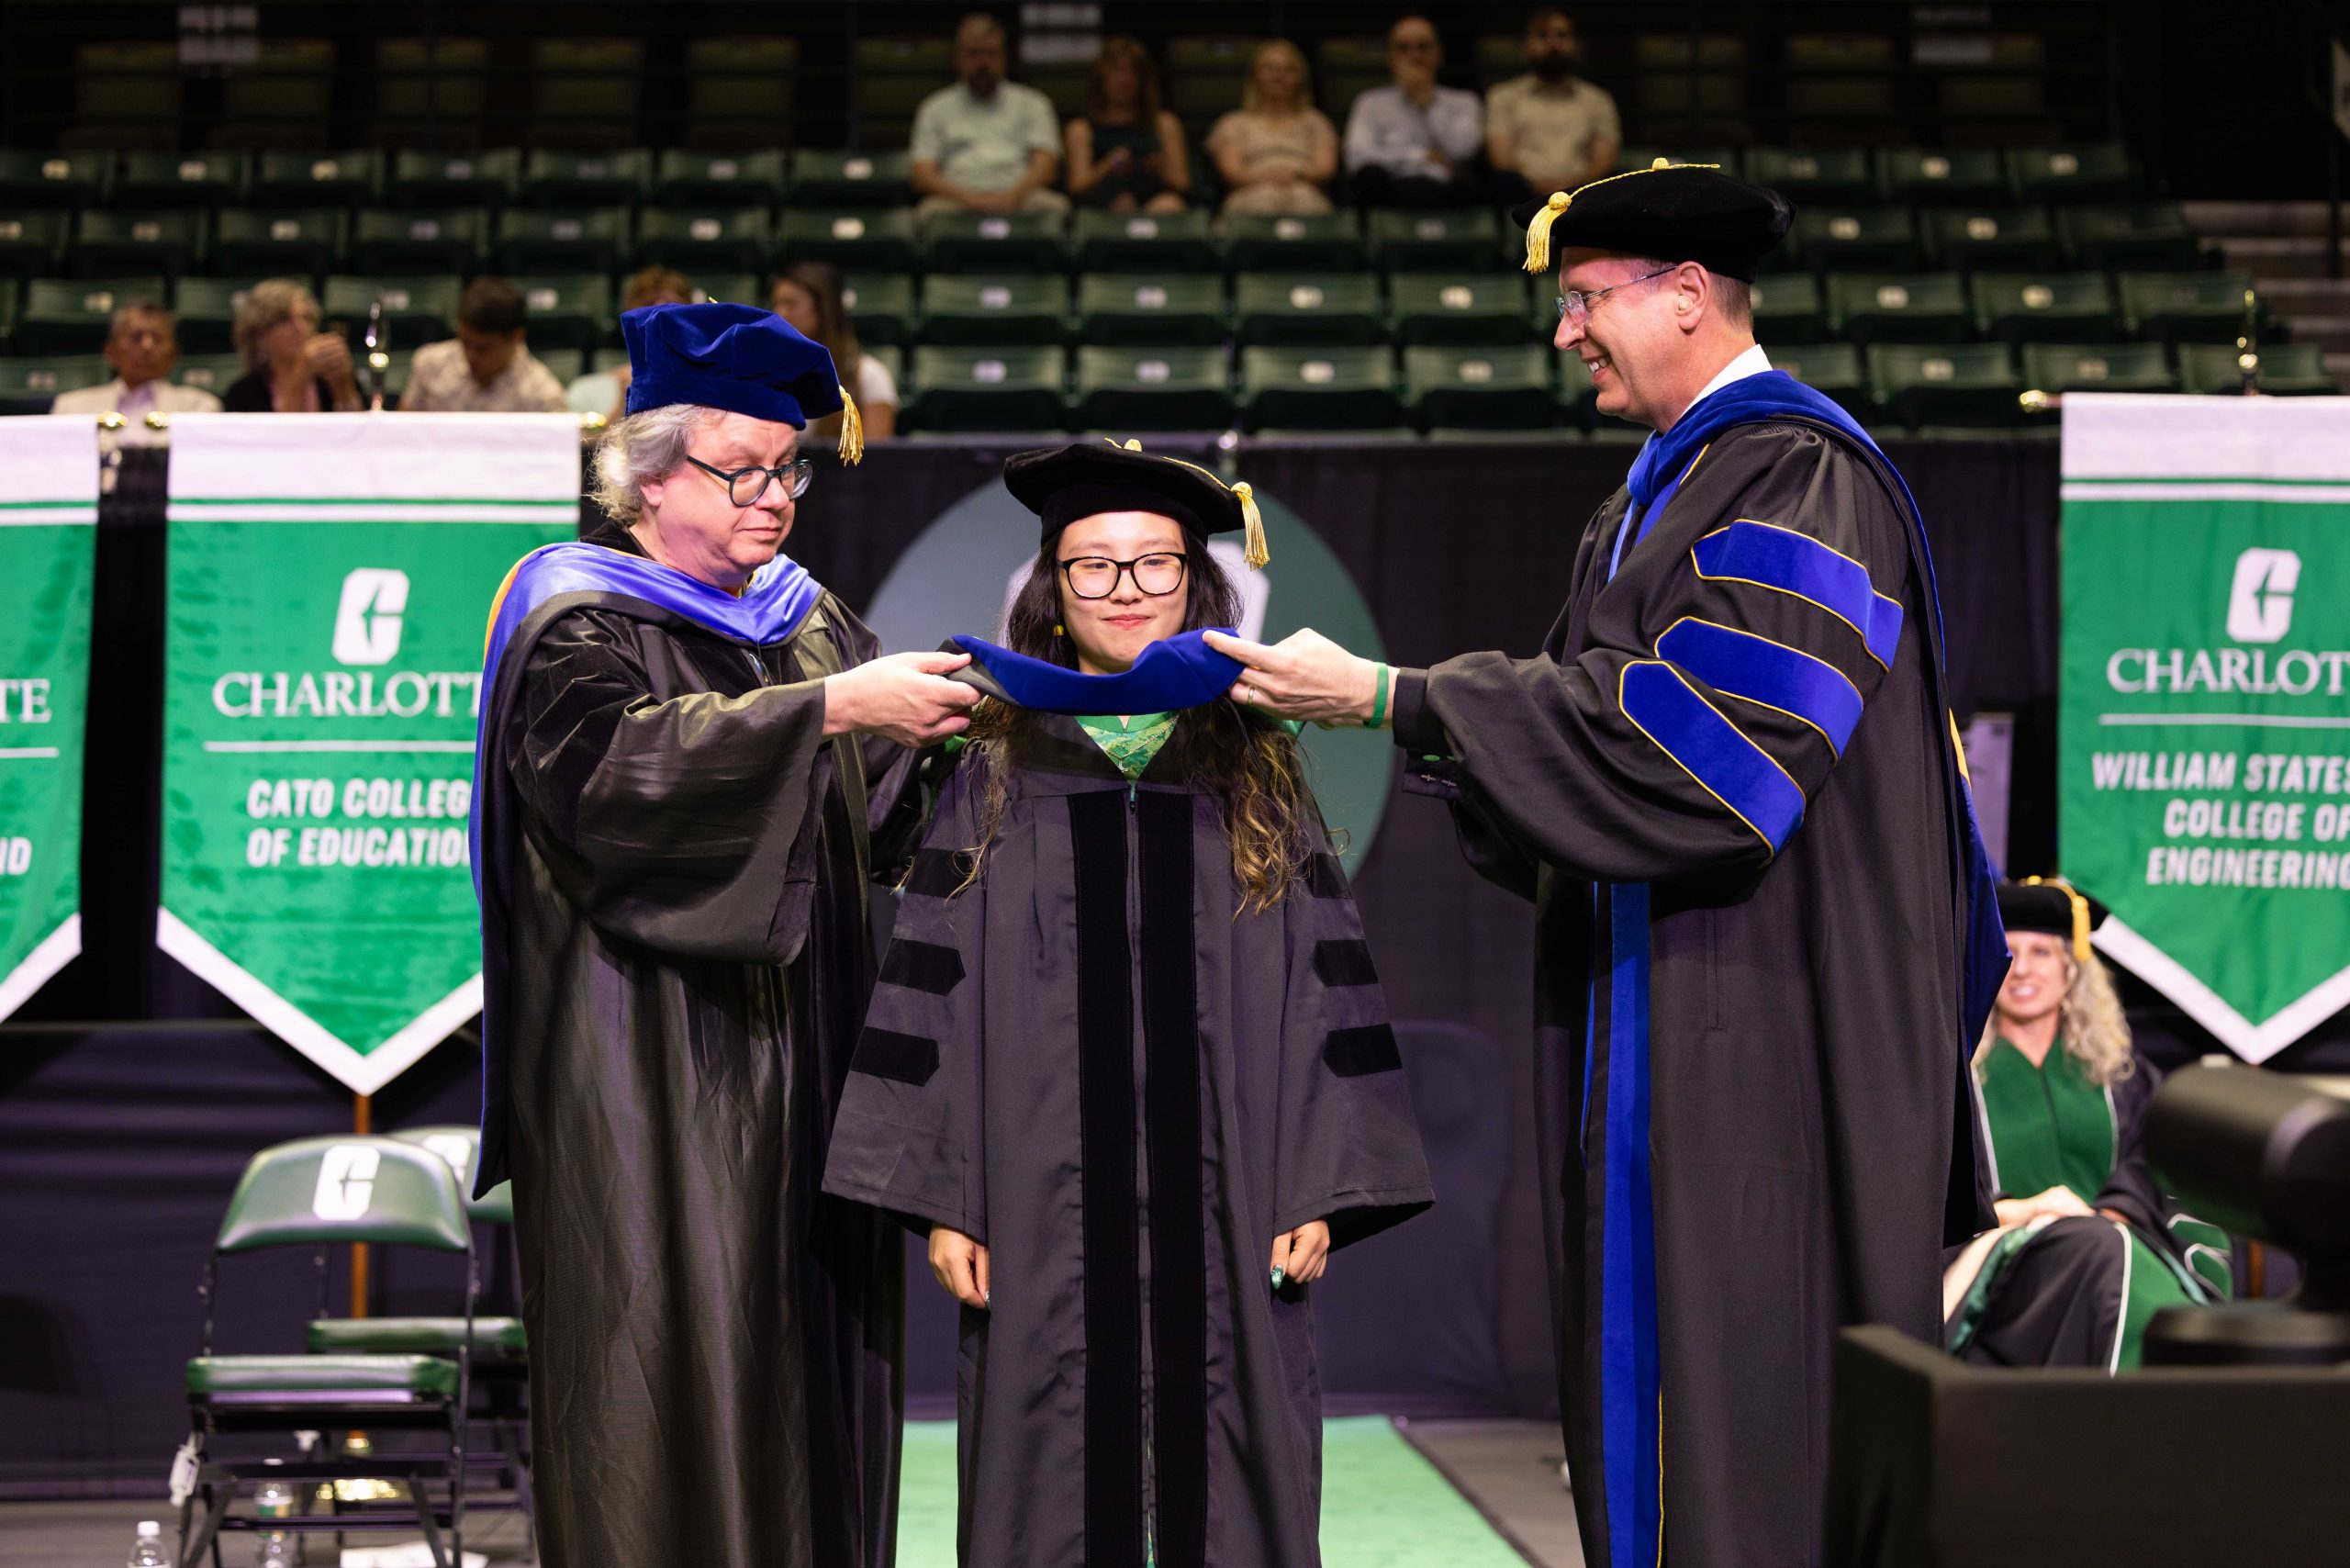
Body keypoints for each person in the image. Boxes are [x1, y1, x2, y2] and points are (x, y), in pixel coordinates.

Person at [1202, 164, 2006, 1568]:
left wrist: (1403, 700)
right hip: (1671, 1028)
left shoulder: (1799, 474)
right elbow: (1583, 767)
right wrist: (1450, 733)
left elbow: (1706, 767)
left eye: (1585, 300)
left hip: (1771, 1048)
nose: (1566, 333)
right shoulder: (1657, 495)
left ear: (1688, 296)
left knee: (1751, 1438)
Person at [824, 440, 1432, 1568]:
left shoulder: (1254, 762)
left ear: (1194, 581)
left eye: (1152, 564)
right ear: (1051, 588)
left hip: (1234, 1192)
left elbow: (1320, 983)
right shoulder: (994, 758)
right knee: (1047, 1469)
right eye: (1091, 566)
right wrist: (948, 1197)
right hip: (1037, 1196)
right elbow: (931, 987)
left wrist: (1319, 1183)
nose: (1124, 591)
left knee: (1234, 1454)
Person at [468, 302, 980, 1568]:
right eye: (742, 470)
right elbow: (615, 784)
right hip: (649, 1095)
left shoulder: (806, 618)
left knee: (814, 1389)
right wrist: (827, 713)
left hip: (812, 1086)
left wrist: (959, 741)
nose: (776, 497)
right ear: (646, 476)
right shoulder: (573, 624)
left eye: (789, 466)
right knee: (664, 1391)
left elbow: (868, 824)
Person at [1943, 879, 2232, 1371]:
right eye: (2009, 952)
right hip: (2007, 1260)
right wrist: (2021, 1211)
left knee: (2112, 1255)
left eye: (2041, 951)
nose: (2024, 969)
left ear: (2070, 968)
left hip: (2116, 1236)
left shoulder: (2118, 1073)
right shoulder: (1956, 1073)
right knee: (2103, 1259)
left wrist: (2117, 1213)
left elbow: (2155, 1154)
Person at [911, 13, 1071, 220]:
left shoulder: (1033, 103)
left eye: (990, 53)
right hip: (956, 199)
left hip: (1021, 197)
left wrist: (1011, 197)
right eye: (974, 54)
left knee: (1055, 209)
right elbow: (922, 175)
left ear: (1005, 57)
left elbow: (1047, 168)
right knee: (928, 214)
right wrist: (972, 200)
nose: (982, 62)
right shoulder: (934, 108)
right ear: (958, 58)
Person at [1342, 17, 1485, 207]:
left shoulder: (1464, 101)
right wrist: (1420, 156)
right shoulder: (1370, 102)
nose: (1415, 56)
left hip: (1445, 190)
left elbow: (1462, 152)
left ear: (1439, 54)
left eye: (1423, 47)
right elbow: (1357, 160)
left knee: (1470, 186)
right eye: (1404, 49)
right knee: (1369, 178)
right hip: (1391, 188)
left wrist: (1428, 104)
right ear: (1390, 57)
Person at [1485, 7, 1620, 198]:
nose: (1553, 43)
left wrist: (1569, 190)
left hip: (1584, 196)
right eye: (1542, 36)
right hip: (1523, 196)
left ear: (1575, 44)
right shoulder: (1503, 97)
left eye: (1562, 35)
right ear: (1526, 44)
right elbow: (1502, 159)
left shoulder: (1598, 100)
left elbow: (1604, 160)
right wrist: (1540, 188)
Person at [50, 299, 219, 442]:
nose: (147, 346)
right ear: (111, 352)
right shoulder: (71, 409)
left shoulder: (200, 408)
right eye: (135, 337)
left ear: (174, 353)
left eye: (158, 338)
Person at [1204, 39, 1339, 216]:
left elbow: (1325, 168)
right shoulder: (1233, 122)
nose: (1278, 76)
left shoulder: (1316, 122)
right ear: (1255, 76)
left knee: (1304, 201)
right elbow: (1231, 170)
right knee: (1265, 199)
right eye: (1270, 69)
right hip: (1250, 191)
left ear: (1301, 78)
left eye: (1288, 70)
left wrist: (1295, 175)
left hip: (1304, 189)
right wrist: (1268, 177)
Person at [770, 262, 898, 443]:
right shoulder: (768, 373)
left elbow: (874, 464)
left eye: (790, 304)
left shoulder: (870, 376)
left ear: (824, 309)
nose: (779, 314)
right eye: (776, 304)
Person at [398, 277, 567, 414]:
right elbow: (399, 436)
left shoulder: (544, 397)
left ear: (516, 337)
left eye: (483, 348)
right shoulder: (430, 364)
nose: (470, 356)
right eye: (465, 342)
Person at [1064, 36, 1190, 214]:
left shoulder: (1164, 123)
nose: (1125, 81)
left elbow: (1182, 183)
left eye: (1132, 72)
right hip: (1101, 204)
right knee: (1121, 205)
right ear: (1101, 76)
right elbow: (1077, 187)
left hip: (1152, 199)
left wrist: (1157, 168)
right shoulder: (1081, 128)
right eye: (1117, 71)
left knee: (1169, 205)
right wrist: (1108, 166)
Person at [221, 277, 360, 412]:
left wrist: (344, 388)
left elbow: (363, 432)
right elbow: (281, 433)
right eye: (285, 320)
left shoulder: (326, 381)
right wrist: (301, 372)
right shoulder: (242, 394)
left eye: (307, 318)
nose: (300, 327)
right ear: (259, 335)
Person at [604, 266, 698, 418]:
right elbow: (590, 441)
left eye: (670, 315)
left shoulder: (707, 381)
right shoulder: (593, 390)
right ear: (627, 326)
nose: (658, 327)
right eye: (648, 315)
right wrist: (626, 400)